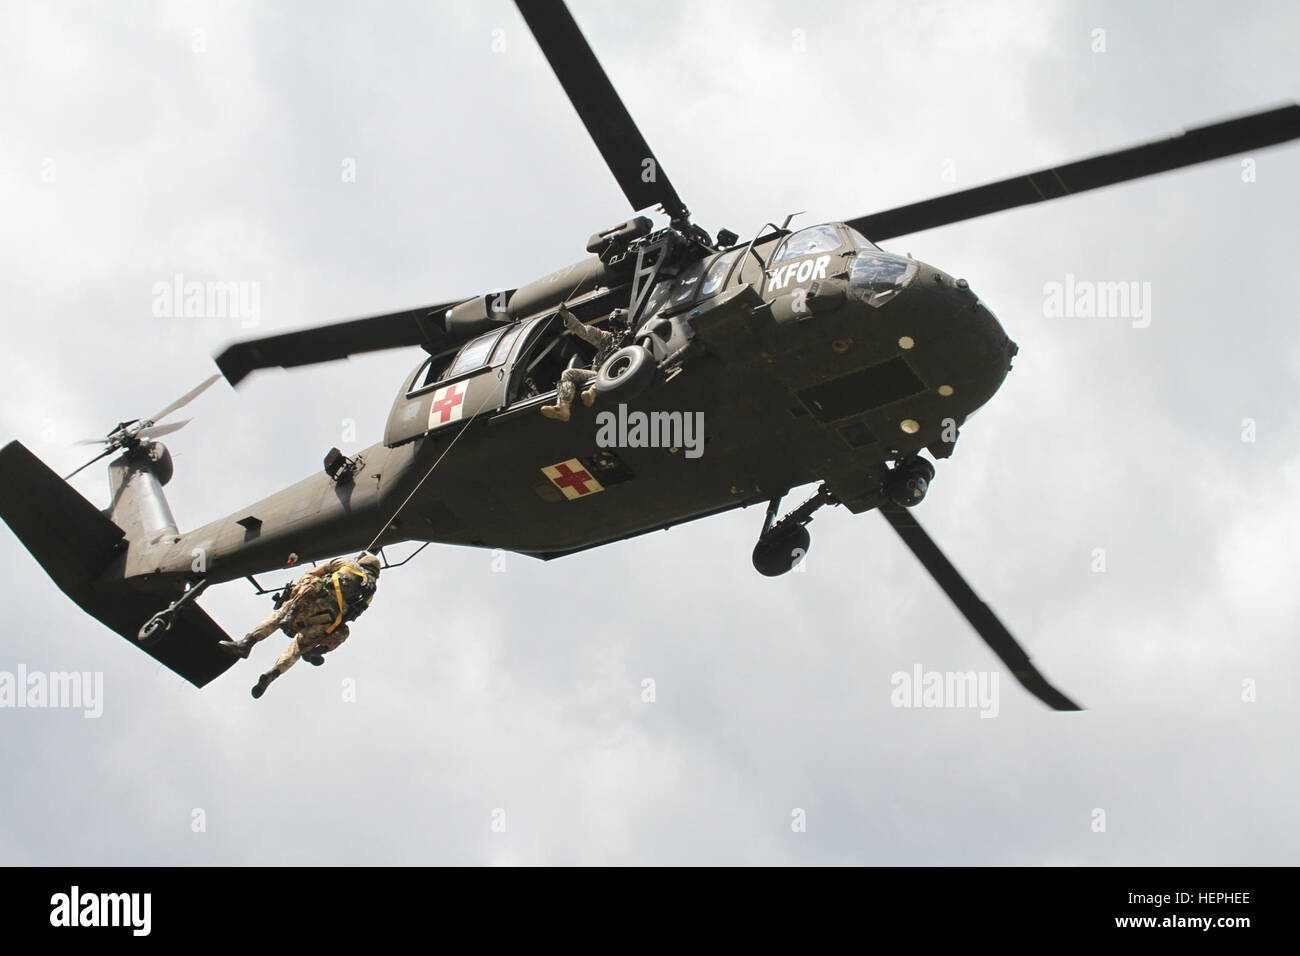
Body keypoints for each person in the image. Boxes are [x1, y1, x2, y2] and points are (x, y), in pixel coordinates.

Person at [220, 552, 382, 699]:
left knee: (281, 614)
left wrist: (291, 594)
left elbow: (313, 573)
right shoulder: (370, 593)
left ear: (361, 562)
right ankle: (273, 673)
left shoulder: (348, 564)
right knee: (298, 648)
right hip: (326, 621)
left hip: (310, 600)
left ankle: (247, 644)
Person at [540, 307, 626, 422]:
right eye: (613, 327)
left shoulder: (631, 341)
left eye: (618, 327)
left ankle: (592, 393)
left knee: (609, 370)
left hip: (615, 375)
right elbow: (584, 331)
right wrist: (568, 316)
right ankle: (563, 408)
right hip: (596, 375)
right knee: (568, 373)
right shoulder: (608, 339)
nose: (615, 330)